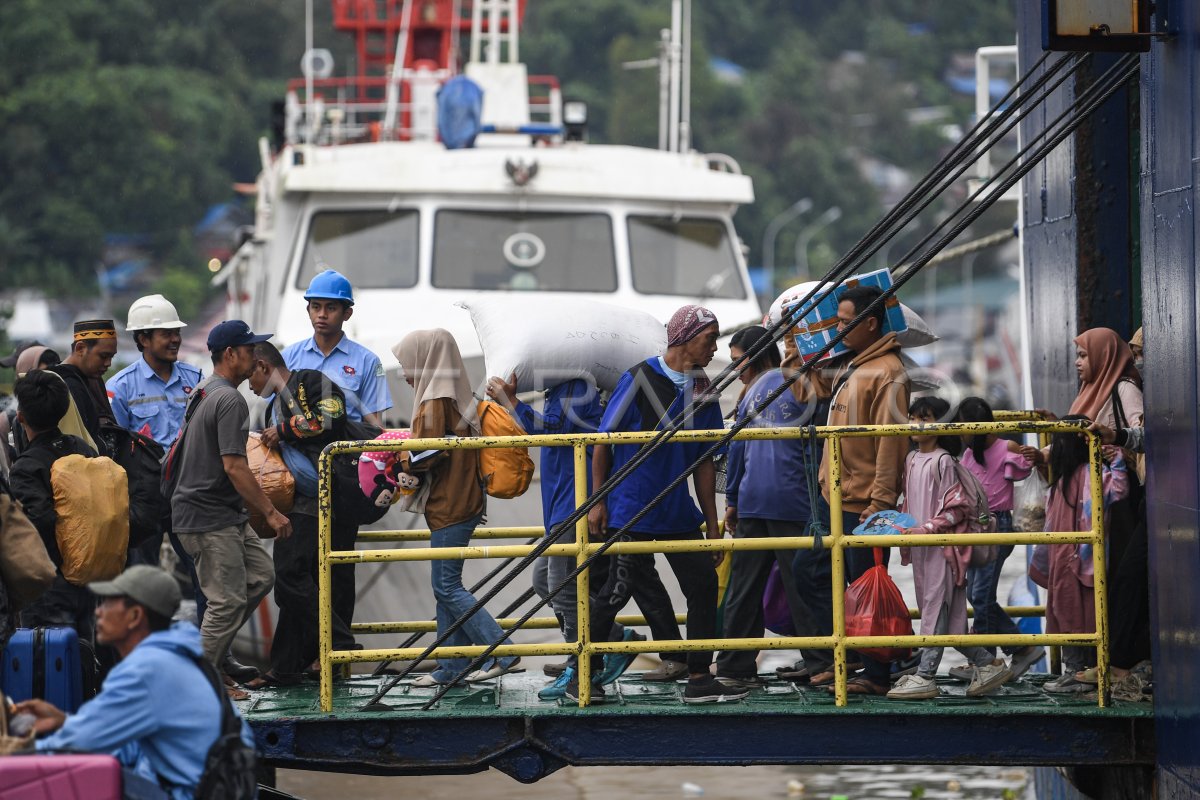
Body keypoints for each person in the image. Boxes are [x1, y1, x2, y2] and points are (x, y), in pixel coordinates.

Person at [571, 305, 747, 705]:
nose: (714, 347)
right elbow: (603, 441)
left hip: (676, 512)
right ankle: (584, 674)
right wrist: (598, 502)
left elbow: (704, 461)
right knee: (614, 593)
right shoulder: (638, 378)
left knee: (702, 587)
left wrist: (713, 525)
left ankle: (700, 676)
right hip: (630, 508)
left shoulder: (703, 389)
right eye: (709, 338)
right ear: (684, 338)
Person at [486, 373, 678, 698]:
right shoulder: (568, 387)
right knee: (546, 582)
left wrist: (510, 401)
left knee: (562, 588)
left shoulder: (576, 386)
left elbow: (549, 431)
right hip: (564, 502)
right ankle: (613, 640)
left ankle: (586, 668)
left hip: (575, 502)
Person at [14, 565, 255, 800]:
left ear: (135, 616)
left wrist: (15, 751)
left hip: (192, 793)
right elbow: (128, 744)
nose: (99, 611)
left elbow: (77, 745)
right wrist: (65, 721)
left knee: (69, 777)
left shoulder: (147, 669)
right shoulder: (181, 656)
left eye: (108, 603)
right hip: (219, 787)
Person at [787, 285, 910, 695]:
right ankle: (853, 654)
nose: (837, 329)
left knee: (866, 586)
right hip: (833, 496)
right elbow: (809, 391)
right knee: (810, 571)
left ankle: (875, 674)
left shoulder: (888, 372)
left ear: (869, 323)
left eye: (844, 322)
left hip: (862, 503)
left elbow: (891, 442)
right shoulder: (851, 366)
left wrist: (880, 504)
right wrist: (793, 344)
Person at [392, 329, 520, 687]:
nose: (404, 372)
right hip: (463, 500)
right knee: (445, 587)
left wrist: (398, 455)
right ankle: (451, 667)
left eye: (407, 363)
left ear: (425, 360)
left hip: (451, 503)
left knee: (446, 586)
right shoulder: (458, 394)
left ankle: (502, 649)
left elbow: (427, 452)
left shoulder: (435, 398)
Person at [172, 320, 290, 694]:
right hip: (207, 518)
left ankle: (215, 657)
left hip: (222, 514)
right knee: (224, 603)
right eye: (250, 349)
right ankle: (201, 686)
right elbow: (234, 465)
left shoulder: (205, 391)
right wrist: (270, 512)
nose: (256, 356)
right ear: (230, 355)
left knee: (260, 575)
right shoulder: (229, 400)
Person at [715, 325, 823, 689]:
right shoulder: (801, 384)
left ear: (756, 355)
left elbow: (738, 449)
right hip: (793, 501)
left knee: (743, 588)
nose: (736, 369)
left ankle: (733, 667)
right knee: (803, 586)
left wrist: (732, 500)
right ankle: (821, 660)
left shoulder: (751, 392)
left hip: (752, 502)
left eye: (738, 360)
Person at [245, 341, 357, 686]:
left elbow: (333, 415)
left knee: (304, 577)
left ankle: (336, 645)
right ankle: (289, 666)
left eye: (249, 374)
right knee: (295, 582)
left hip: (327, 497)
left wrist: (284, 430)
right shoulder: (269, 409)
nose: (247, 384)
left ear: (263, 366)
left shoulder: (309, 380)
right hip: (299, 504)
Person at [887, 397, 1013, 700]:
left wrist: (924, 530)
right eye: (913, 417)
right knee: (949, 616)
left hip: (942, 549)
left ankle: (925, 675)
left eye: (926, 418)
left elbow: (956, 510)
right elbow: (909, 501)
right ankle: (988, 663)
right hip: (921, 548)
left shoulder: (944, 461)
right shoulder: (911, 459)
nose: (917, 423)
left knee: (935, 609)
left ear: (942, 424)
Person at [1034, 417, 1129, 693]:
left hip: (1077, 562)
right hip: (1070, 562)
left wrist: (1117, 459)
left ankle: (1081, 674)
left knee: (1078, 617)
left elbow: (1118, 490)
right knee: (1069, 615)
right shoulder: (1069, 478)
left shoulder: (1086, 474)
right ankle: (1075, 671)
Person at [955, 396, 1043, 678]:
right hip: (974, 526)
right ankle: (1021, 649)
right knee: (974, 593)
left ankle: (986, 663)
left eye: (963, 426)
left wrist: (1029, 457)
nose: (960, 431)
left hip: (998, 525)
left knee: (980, 594)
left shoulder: (1006, 447)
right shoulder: (969, 454)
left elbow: (1024, 471)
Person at [7, 370, 97, 638]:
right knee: (83, 658)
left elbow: (39, 523)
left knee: (50, 664)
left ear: (21, 416)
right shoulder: (82, 449)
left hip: (51, 584)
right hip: (89, 574)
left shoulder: (26, 467)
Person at [282, 269, 392, 426]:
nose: (322, 314)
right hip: (295, 450)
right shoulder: (287, 356)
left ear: (347, 313)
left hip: (345, 450)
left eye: (331, 308)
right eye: (316, 307)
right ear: (308, 310)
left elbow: (373, 427)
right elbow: (276, 414)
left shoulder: (369, 362)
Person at [107, 294, 203, 448]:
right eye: (166, 334)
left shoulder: (196, 379)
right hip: (146, 472)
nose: (176, 339)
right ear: (144, 340)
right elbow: (117, 445)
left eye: (177, 332)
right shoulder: (120, 387)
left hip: (191, 471)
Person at [47, 320, 120, 450]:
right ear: (80, 348)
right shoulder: (64, 384)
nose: (108, 363)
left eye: (111, 357)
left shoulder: (93, 380)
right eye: (103, 356)